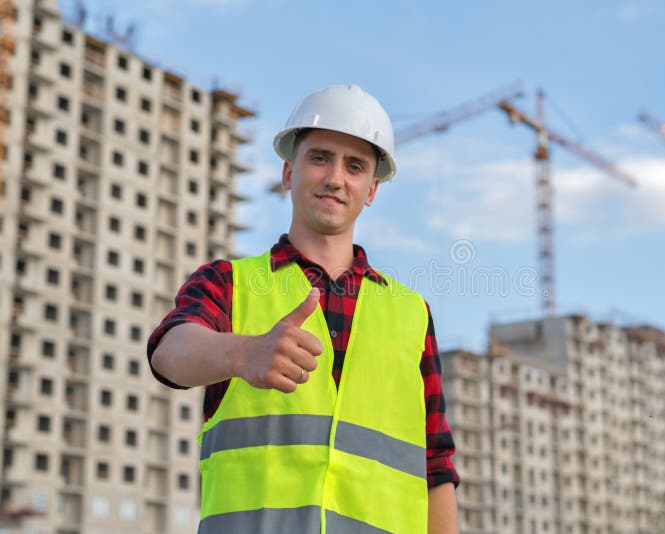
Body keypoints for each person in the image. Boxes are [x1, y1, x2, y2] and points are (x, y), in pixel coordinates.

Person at [148, 85, 459, 533]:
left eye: (354, 167)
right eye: (320, 158)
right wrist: (244, 354)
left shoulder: (412, 313)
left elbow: (436, 462)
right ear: (288, 172)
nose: (335, 178)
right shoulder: (229, 283)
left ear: (371, 189)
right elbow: (169, 353)